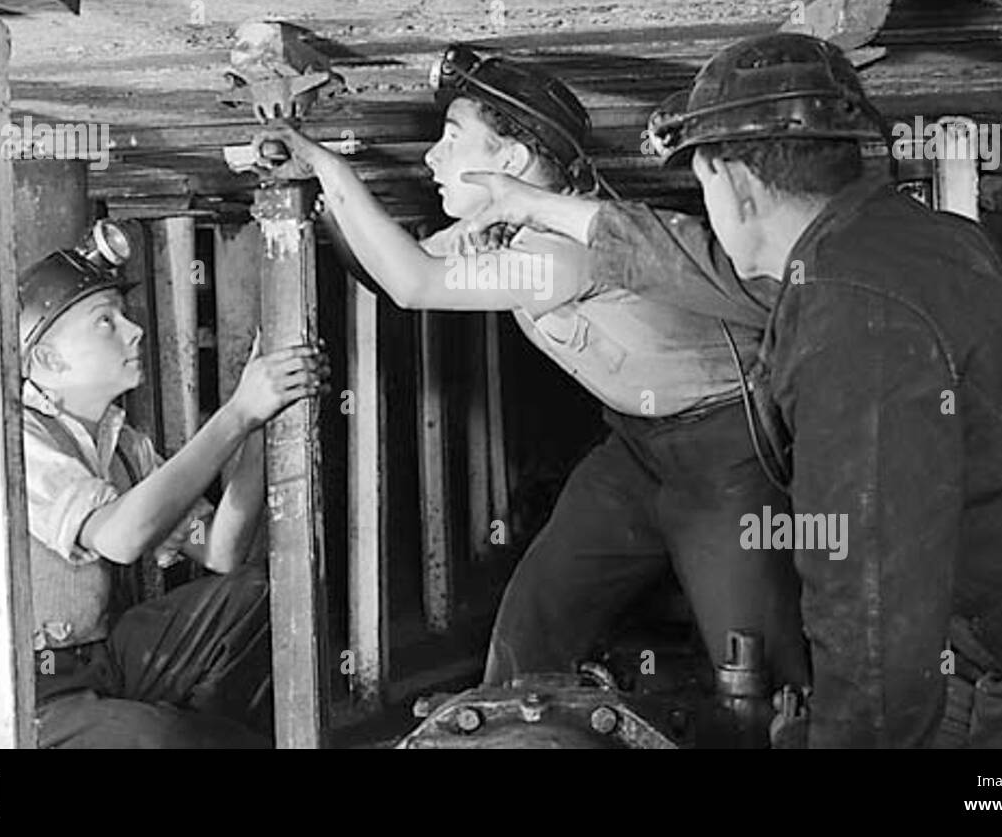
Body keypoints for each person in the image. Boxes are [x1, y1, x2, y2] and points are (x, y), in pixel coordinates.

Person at [461, 31, 1002, 749]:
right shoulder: (902, 239)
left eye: (702, 183)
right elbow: (684, 261)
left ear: (736, 182)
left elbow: (870, 584)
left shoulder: (850, 313)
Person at [269, 44, 810, 696]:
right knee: (535, 626)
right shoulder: (505, 226)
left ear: (512, 162)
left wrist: (328, 165)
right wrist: (321, 204)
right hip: (636, 452)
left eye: (452, 138)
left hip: (729, 457)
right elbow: (391, 266)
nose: (430, 157)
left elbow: (413, 283)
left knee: (754, 670)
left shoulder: (565, 252)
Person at [0, 222, 328, 748]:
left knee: (256, 594)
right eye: (105, 323)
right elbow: (120, 537)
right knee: (159, 740)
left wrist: (259, 423)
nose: (132, 330)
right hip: (8, 687)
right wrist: (236, 412)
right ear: (46, 361)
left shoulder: (124, 445)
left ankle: (193, 737)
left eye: (122, 316)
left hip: (97, 662)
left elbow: (220, 550)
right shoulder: (9, 441)